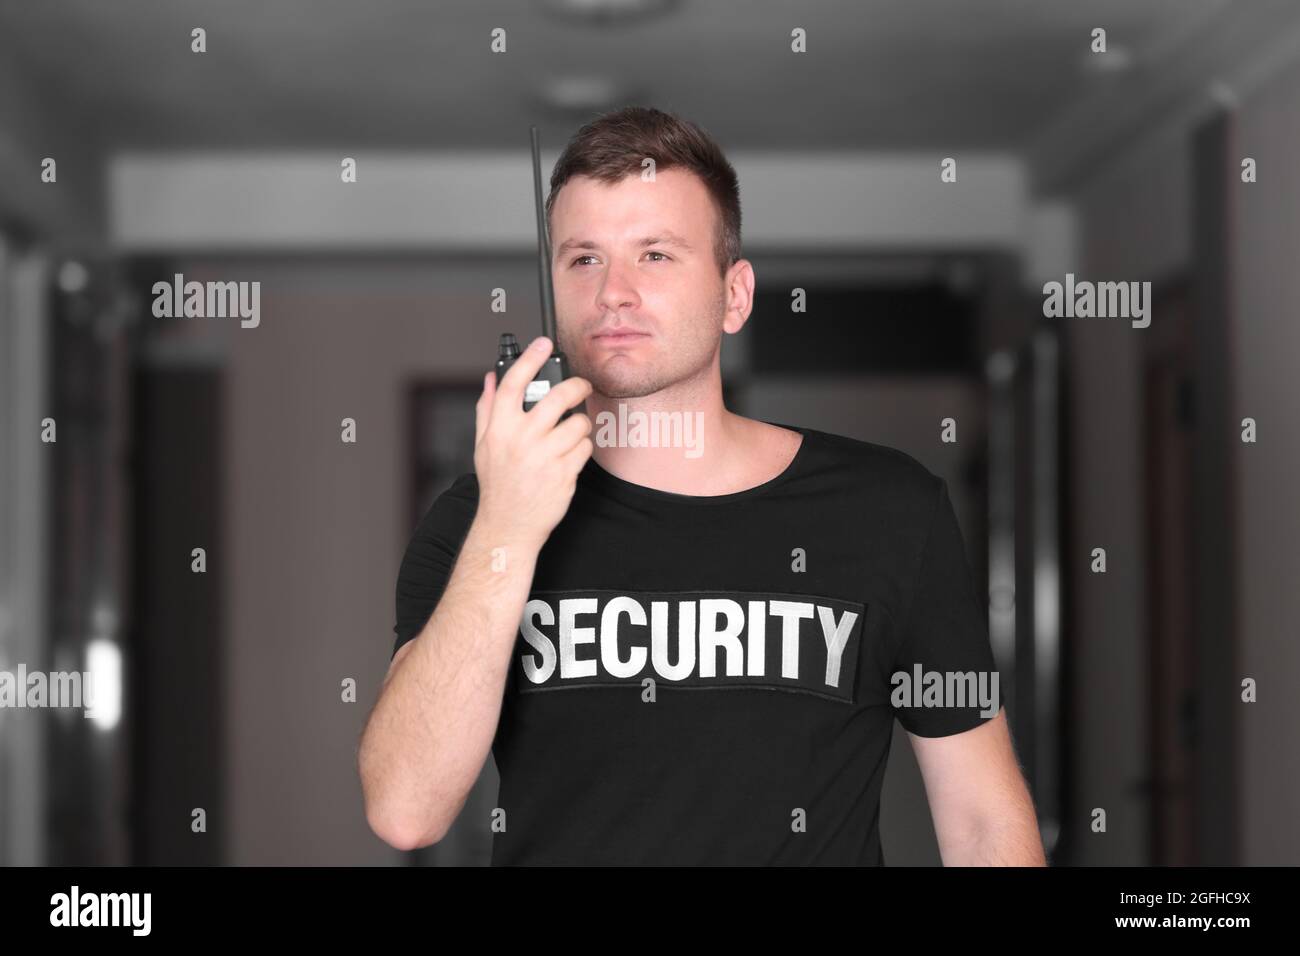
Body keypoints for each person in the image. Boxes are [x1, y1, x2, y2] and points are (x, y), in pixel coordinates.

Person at [357, 106, 1045, 866]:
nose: (613, 291)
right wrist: (508, 527)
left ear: (735, 295)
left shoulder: (890, 512)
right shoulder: (478, 517)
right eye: (583, 259)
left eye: (654, 255)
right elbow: (404, 810)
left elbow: (983, 822)